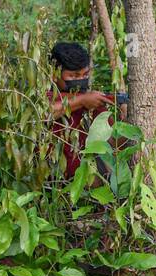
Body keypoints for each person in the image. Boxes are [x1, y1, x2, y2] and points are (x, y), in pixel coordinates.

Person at [47, 41, 111, 178]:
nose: (81, 80)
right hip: (50, 184)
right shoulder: (44, 97)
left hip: (87, 187)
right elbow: (43, 113)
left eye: (85, 75)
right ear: (55, 74)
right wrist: (82, 100)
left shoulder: (92, 103)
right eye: (74, 76)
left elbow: (114, 143)